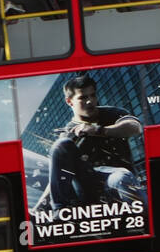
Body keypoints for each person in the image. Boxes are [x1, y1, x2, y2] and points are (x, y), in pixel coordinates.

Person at [47, 75, 144, 208]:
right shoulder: (68, 132)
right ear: (69, 101)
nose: (90, 101)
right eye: (83, 97)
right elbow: (57, 174)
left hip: (121, 179)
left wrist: (98, 130)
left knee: (121, 178)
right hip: (89, 187)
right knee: (61, 145)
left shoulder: (113, 113)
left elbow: (135, 127)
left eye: (92, 95)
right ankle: (61, 209)